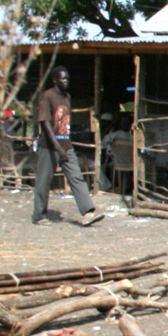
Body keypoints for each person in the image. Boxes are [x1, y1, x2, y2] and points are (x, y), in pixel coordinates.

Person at [32, 66, 104, 226]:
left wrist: (64, 146)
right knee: (44, 181)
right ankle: (39, 214)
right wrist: (57, 147)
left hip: (66, 144)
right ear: (55, 80)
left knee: (77, 177)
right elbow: (45, 123)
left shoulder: (67, 97)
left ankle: (87, 212)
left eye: (67, 79)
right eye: (62, 79)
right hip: (49, 146)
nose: (65, 81)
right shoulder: (47, 96)